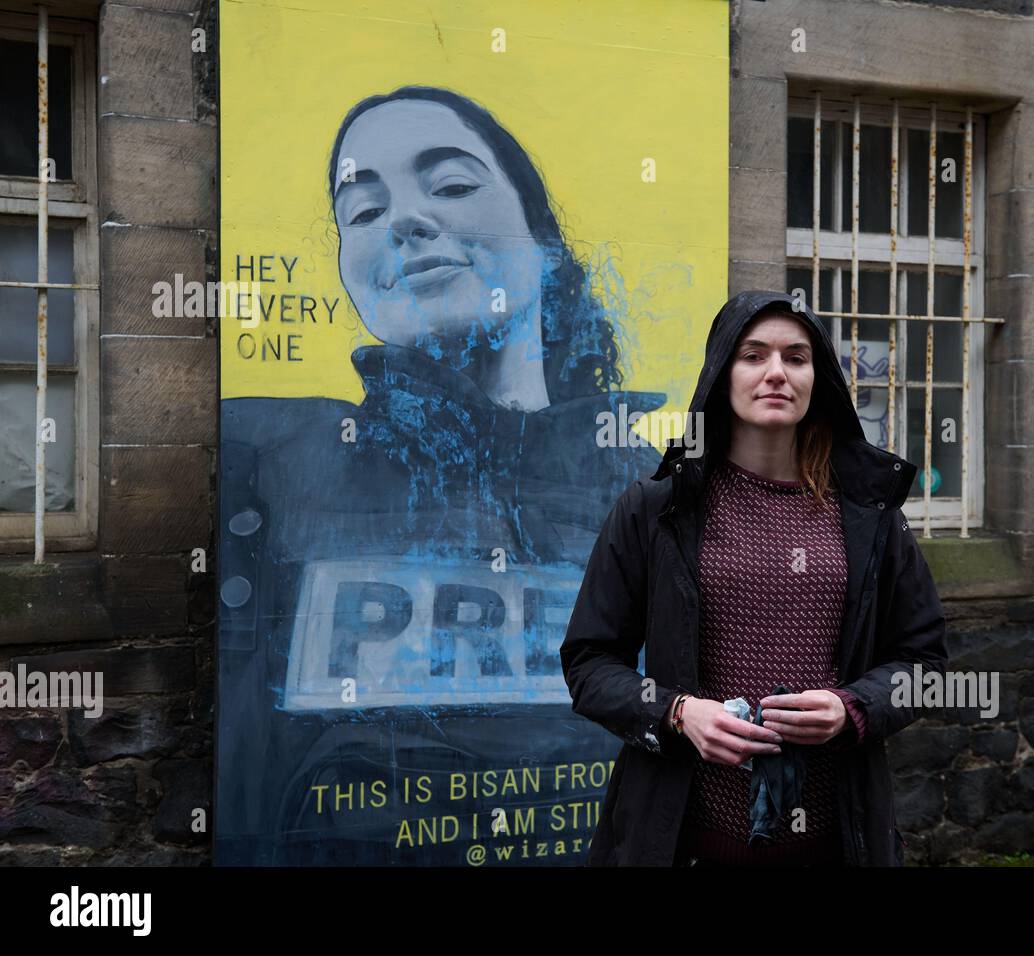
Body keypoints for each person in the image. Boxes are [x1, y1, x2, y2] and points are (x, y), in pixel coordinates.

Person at [215, 86, 664, 863]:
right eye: (362, 211)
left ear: (545, 244)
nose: (403, 220)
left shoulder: (652, 484)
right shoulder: (263, 453)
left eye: (451, 185)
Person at [560, 290, 948, 866]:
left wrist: (853, 707)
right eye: (753, 355)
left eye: (796, 357)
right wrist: (677, 712)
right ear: (722, 372)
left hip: (835, 843)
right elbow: (589, 662)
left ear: (818, 379)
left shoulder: (871, 516)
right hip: (684, 843)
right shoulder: (656, 508)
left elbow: (925, 662)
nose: (776, 373)